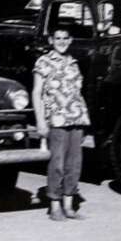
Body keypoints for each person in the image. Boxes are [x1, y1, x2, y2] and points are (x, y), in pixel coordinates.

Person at [32, 26, 91, 221]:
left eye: (65, 38)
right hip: (56, 119)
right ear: (51, 40)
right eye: (58, 38)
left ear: (70, 40)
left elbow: (77, 92)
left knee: (74, 163)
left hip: (77, 118)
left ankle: (69, 205)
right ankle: (55, 205)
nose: (62, 41)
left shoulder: (73, 62)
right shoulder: (43, 62)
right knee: (57, 162)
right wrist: (40, 120)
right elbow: (37, 92)